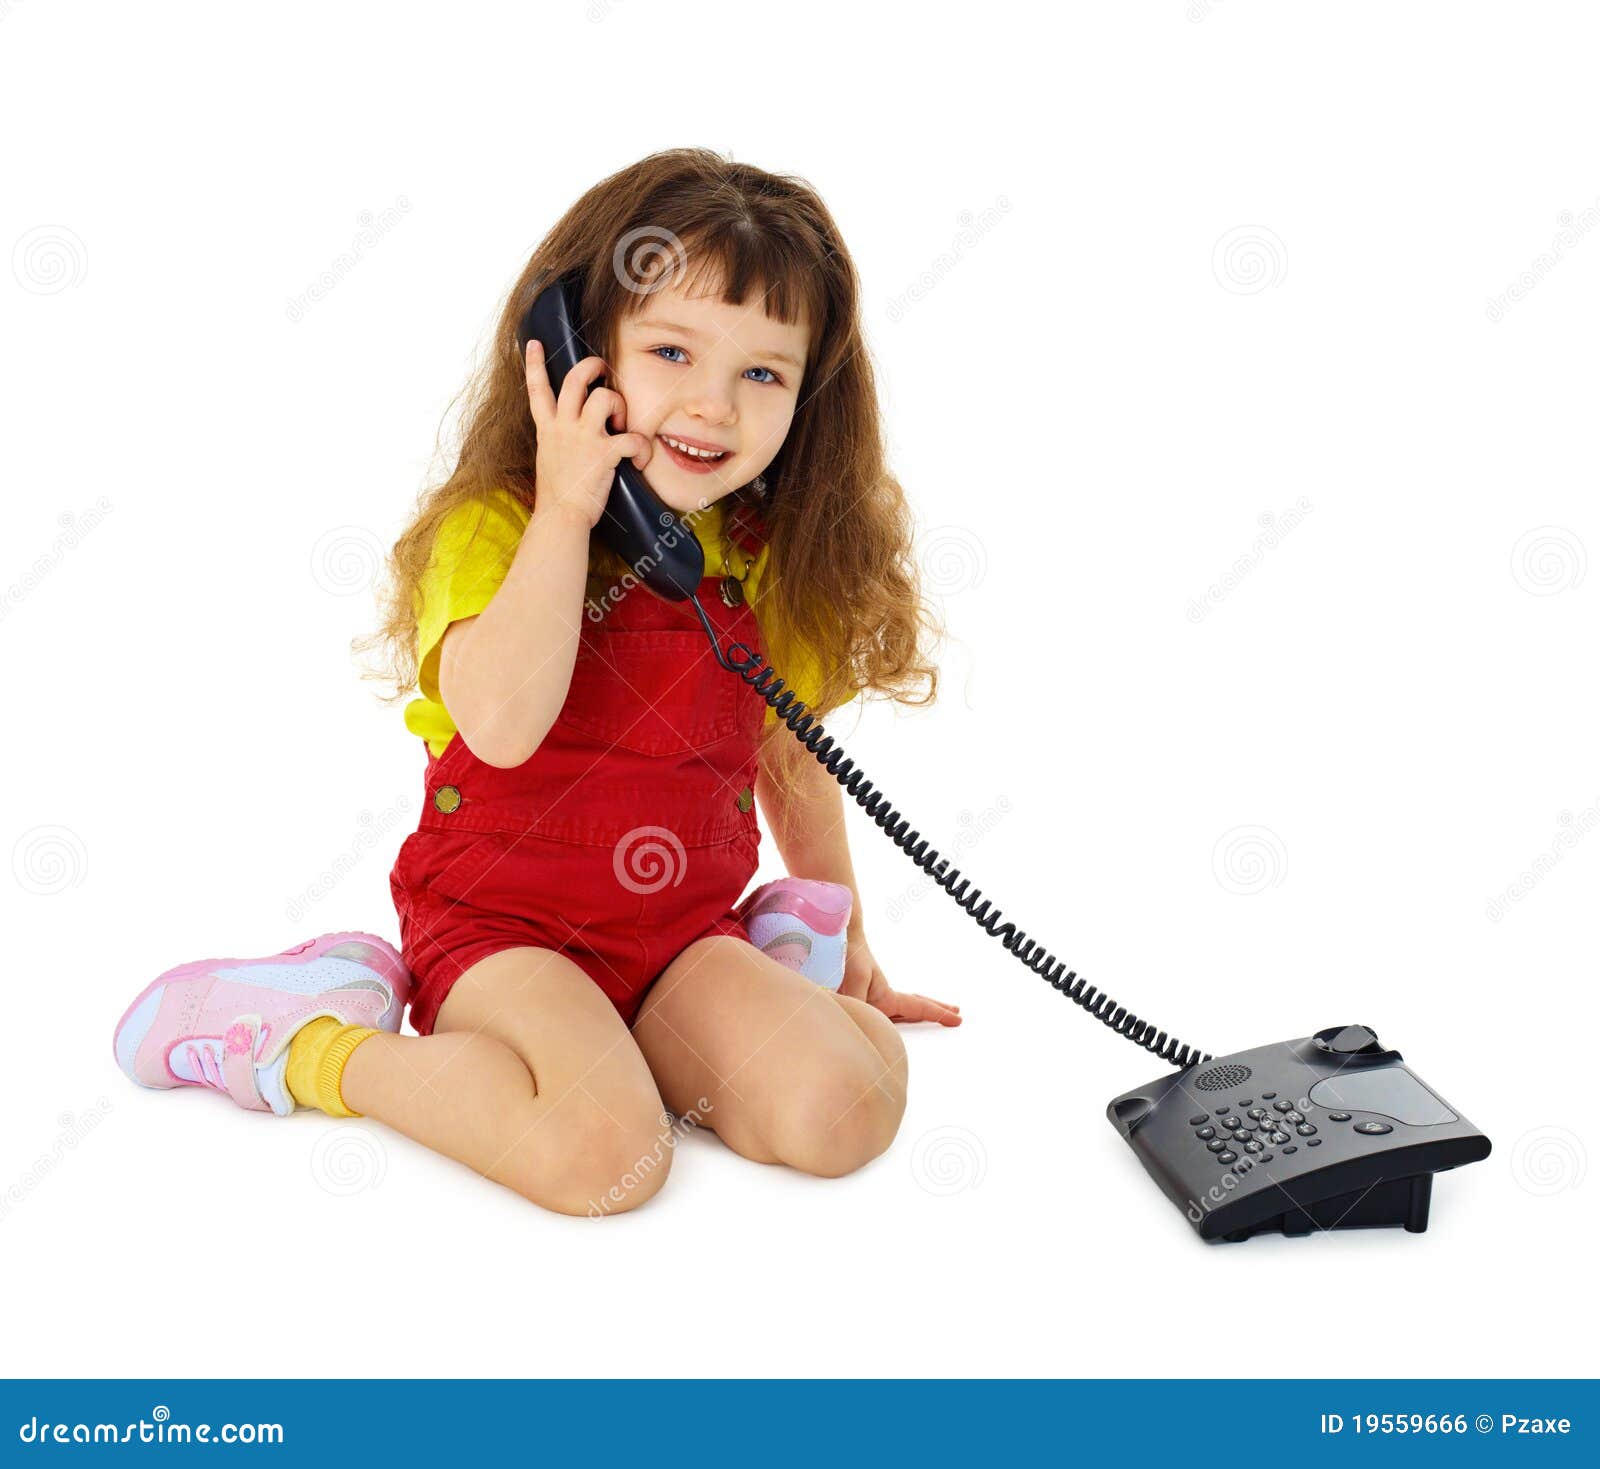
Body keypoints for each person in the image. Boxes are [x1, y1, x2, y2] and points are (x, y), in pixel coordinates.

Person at [114, 148, 959, 1217]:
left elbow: (788, 748)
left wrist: (858, 943)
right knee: (603, 1160)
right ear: (573, 354)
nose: (713, 405)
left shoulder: (755, 556)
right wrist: (567, 509)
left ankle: (744, 972)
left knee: (844, 1109)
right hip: (504, 932)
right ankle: (304, 1038)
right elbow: (504, 728)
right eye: (670, 351)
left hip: (680, 935)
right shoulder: (496, 530)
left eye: (763, 374)